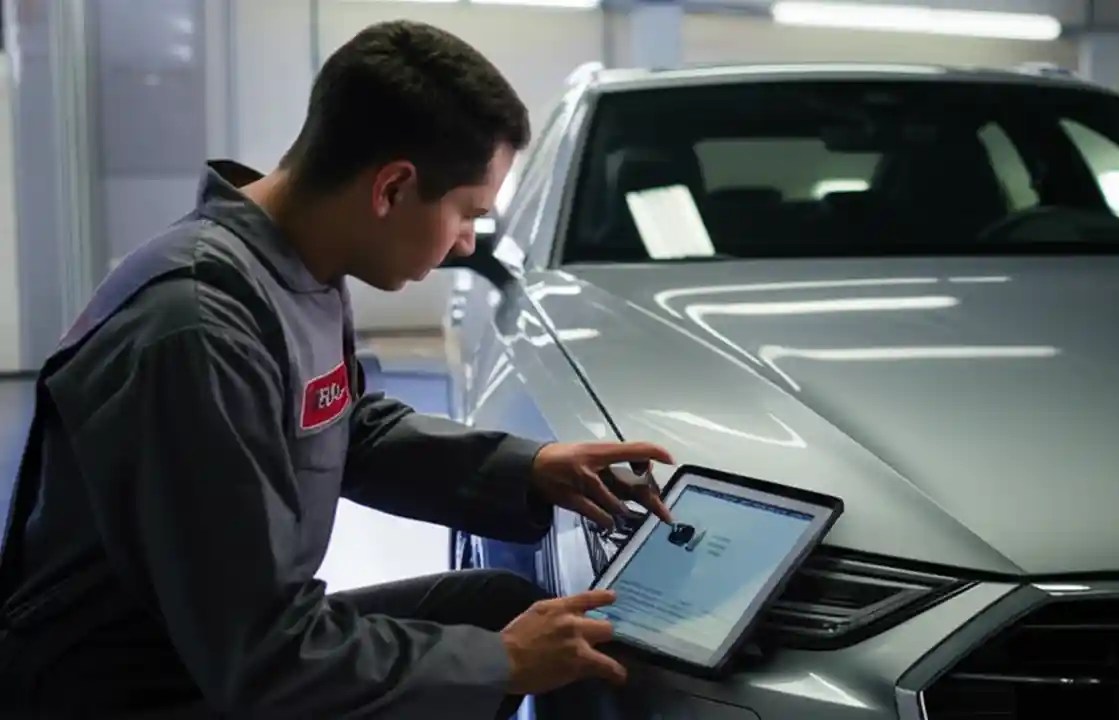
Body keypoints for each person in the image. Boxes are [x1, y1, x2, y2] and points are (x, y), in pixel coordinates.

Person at [0, 19, 675, 719]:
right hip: (132, 689)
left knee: (499, 610)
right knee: (499, 653)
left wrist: (530, 469)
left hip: (203, 650)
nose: (465, 243)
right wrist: (499, 664)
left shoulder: (290, 270)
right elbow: (265, 662)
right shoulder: (200, 331)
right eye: (466, 213)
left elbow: (346, 427)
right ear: (392, 188)